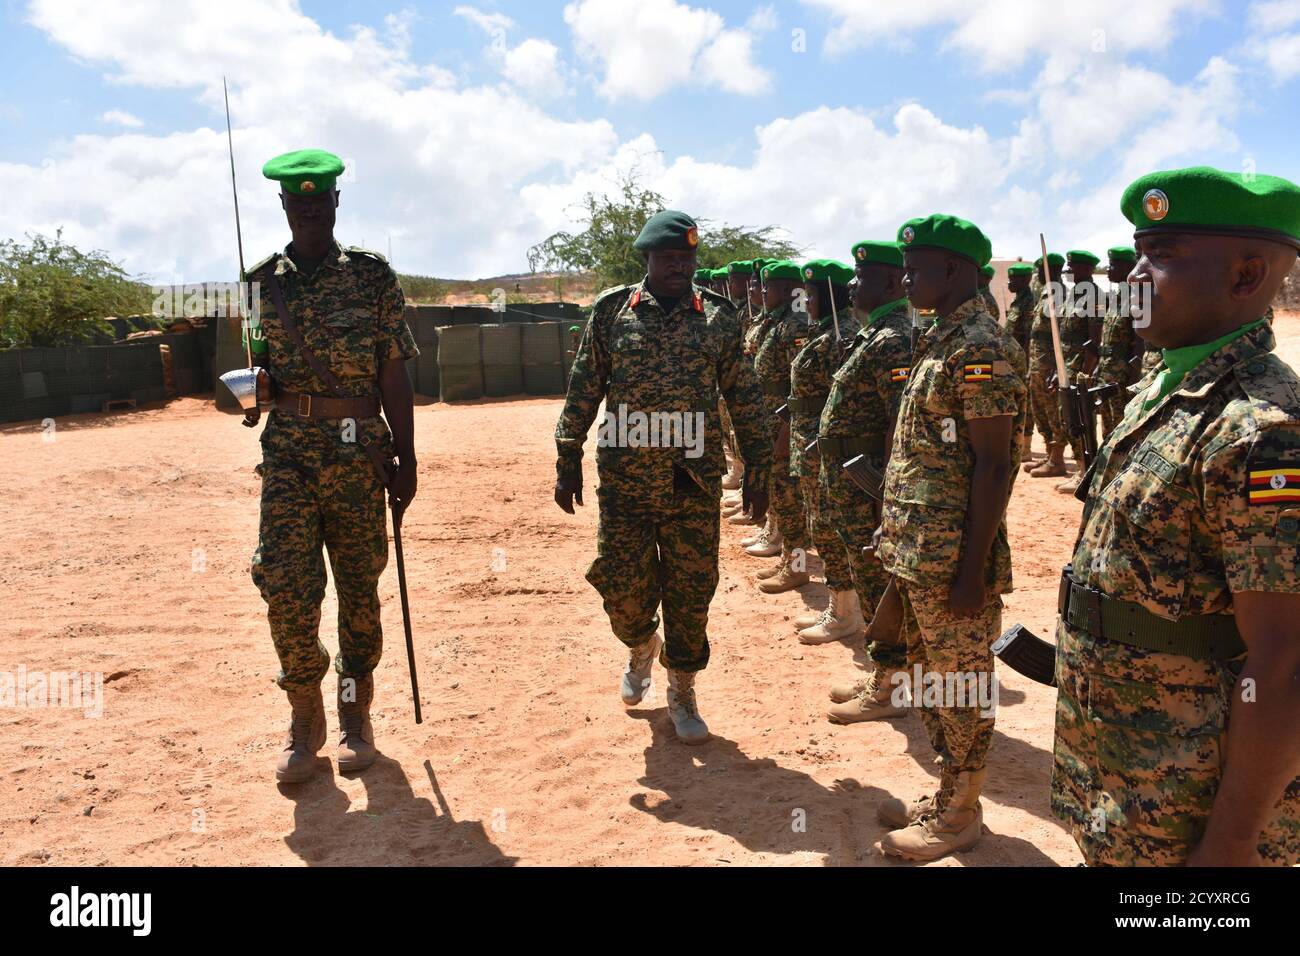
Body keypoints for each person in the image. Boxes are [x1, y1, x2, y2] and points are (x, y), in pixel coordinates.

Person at [1051, 166, 1300, 866]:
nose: (1133, 277)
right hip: (1126, 763)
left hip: (1190, 801)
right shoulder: (1168, 388)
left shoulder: (1260, 429)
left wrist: (1229, 846)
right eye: (1138, 252)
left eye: (1162, 256)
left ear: (1247, 274)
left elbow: (1284, 661)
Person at [553, 209, 772, 744]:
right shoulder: (612, 310)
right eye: (669, 258)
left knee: (691, 592)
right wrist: (566, 451)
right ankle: (639, 645)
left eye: (688, 258)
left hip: (691, 481)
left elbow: (742, 394)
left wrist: (762, 467)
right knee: (623, 589)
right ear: (647, 259)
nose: (680, 267)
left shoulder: (719, 317)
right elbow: (586, 383)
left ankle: (683, 686)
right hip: (626, 480)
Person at [247, 149, 419, 783]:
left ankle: (354, 717)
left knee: (357, 591)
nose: (312, 208)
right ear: (285, 206)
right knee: (285, 587)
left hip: (358, 452)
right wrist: (245, 388)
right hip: (288, 451)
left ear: (336, 203)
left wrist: (407, 457)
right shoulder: (262, 283)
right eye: (300, 200)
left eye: (322, 199)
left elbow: (394, 371)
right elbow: (244, 375)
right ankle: (304, 717)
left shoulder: (373, 277)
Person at [874, 213, 1026, 861]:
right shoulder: (940, 338)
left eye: (918, 265)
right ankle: (949, 793)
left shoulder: (980, 348)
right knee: (931, 677)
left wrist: (971, 571)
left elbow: (996, 465)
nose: (905, 275)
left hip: (952, 562)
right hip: (918, 552)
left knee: (961, 681)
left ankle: (961, 813)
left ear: (957, 271)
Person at [816, 240, 913, 720]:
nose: (851, 285)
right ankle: (886, 671)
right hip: (849, 482)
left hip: (866, 484)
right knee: (866, 573)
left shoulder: (895, 338)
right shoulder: (873, 333)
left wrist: (884, 499)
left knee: (877, 578)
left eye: (861, 276)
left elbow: (899, 427)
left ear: (891, 283)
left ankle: (892, 683)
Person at [787, 260, 861, 640]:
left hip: (824, 445)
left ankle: (844, 611)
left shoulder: (842, 334)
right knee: (820, 522)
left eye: (812, 293)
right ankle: (841, 603)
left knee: (831, 527)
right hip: (809, 442)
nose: (806, 300)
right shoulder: (824, 331)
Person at [753, 260, 815, 593]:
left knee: (792, 502)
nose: (763, 292)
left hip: (784, 426)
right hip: (770, 420)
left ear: (789, 290)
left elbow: (800, 386)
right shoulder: (778, 322)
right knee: (781, 496)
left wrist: (785, 432)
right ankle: (790, 562)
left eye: (769, 287)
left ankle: (798, 568)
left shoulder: (796, 326)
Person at [1055, 250, 1102, 493]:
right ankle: (1081, 469)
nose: (1069, 272)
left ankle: (1086, 472)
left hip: (1080, 369)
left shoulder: (1093, 295)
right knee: (1068, 416)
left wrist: (1085, 372)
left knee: (1081, 418)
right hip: (1068, 366)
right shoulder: (1074, 295)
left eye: (1073, 268)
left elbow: (1094, 339)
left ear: (1087, 269)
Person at [1025, 252, 1071, 478]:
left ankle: (1057, 460)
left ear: (1049, 271)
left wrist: (1056, 367)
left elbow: (1062, 334)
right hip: (1037, 364)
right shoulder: (1045, 295)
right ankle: (1049, 454)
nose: (1038, 275)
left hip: (1049, 366)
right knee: (1041, 410)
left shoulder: (1058, 295)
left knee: (1053, 412)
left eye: (1041, 271)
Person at [1094, 245, 1140, 437]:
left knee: (1121, 427)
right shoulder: (1115, 299)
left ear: (1127, 268)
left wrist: (1135, 376)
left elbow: (1139, 342)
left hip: (1123, 376)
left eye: (1113, 266)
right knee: (1106, 425)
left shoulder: (1137, 298)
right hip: (1107, 372)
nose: (1108, 270)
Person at [1002, 262, 1037, 457]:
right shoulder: (1017, 303)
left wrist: (1023, 366)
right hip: (1012, 363)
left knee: (1025, 406)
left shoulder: (1029, 303)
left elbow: (1027, 338)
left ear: (1026, 280)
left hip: (1021, 363)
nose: (1010, 282)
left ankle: (1026, 448)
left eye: (1014, 279)